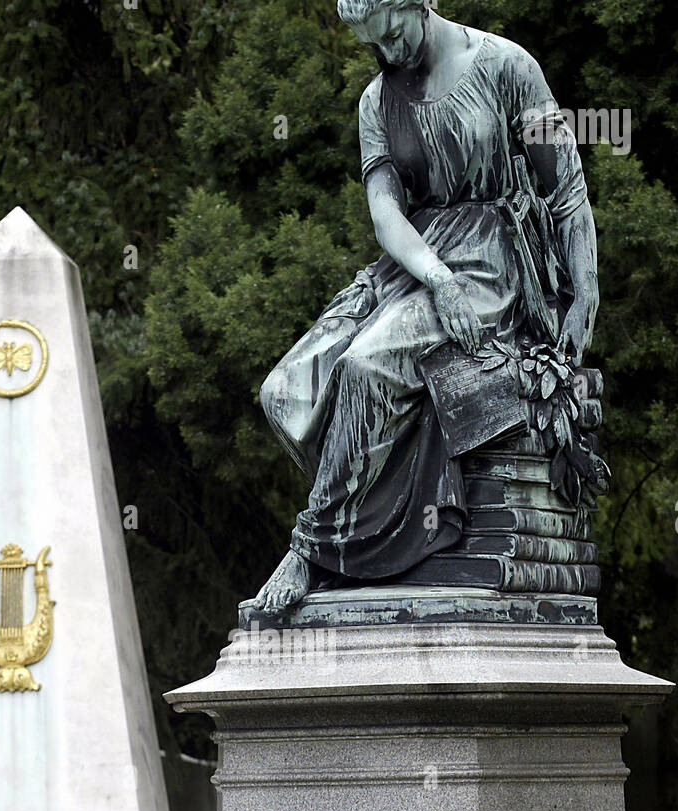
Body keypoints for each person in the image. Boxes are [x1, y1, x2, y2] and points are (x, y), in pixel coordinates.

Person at [253, 0, 599, 614]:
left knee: (366, 367)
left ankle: (313, 545)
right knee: (288, 387)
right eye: (372, 45)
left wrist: (582, 296)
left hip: (496, 262)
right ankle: (364, 520)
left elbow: (566, 189)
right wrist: (435, 277)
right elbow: (387, 215)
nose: (387, 54)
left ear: (419, 4)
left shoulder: (507, 67)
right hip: (419, 263)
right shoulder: (375, 102)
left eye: (391, 34)